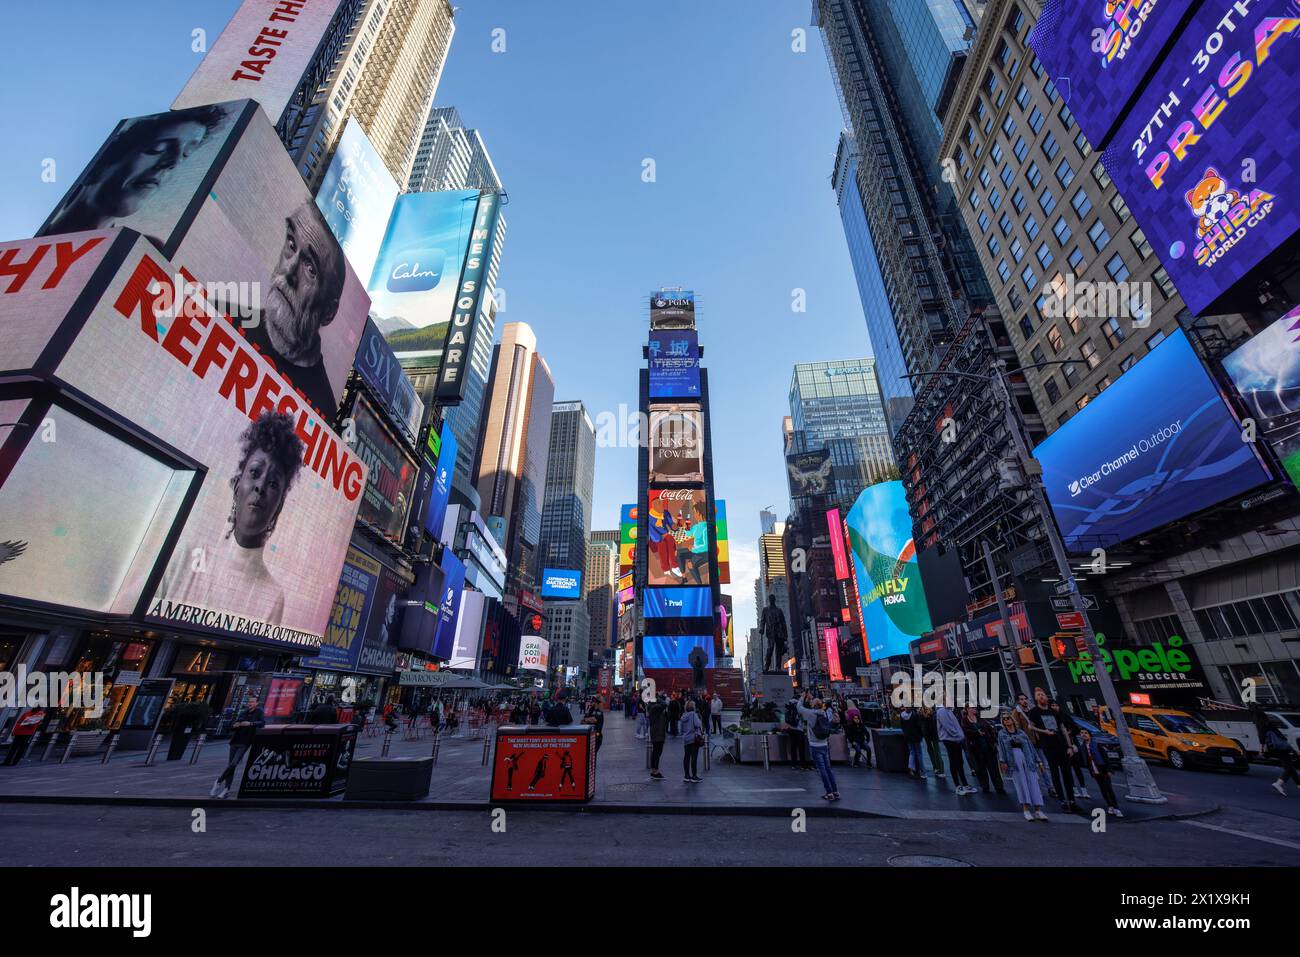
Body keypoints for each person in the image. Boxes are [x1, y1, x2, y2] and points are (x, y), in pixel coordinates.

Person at [159, 411, 305, 627]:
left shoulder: (272, 596)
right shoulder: (187, 556)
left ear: (279, 506)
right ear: (237, 487)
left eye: (273, 483)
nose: (261, 486)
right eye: (255, 473)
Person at [43, 104, 230, 235]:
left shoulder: (144, 255)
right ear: (101, 163)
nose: (173, 163)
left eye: (185, 155)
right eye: (157, 150)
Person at [240, 200, 348, 416]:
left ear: (328, 312)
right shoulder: (219, 316)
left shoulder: (323, 410)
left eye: (310, 268)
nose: (288, 271)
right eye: (291, 245)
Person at [1027, 688, 1079, 812]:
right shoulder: (1034, 712)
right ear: (1036, 698)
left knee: (1067, 773)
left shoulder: (1054, 712)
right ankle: (1062, 800)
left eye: (1043, 694)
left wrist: (1070, 746)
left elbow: (1063, 729)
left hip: (1062, 745)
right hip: (1048, 746)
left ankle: (1072, 800)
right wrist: (1044, 731)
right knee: (1055, 773)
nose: (1041, 697)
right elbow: (1030, 727)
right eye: (1038, 695)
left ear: (1046, 697)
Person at [997, 710, 1049, 822]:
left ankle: (1038, 810)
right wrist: (1003, 762)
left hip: (1027, 758)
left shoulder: (1021, 733)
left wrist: (1039, 761)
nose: (1006, 720)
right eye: (1004, 719)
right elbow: (1001, 749)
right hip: (1014, 760)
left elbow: (1031, 747)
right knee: (1021, 784)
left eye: (1008, 718)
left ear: (1012, 719)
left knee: (1033, 783)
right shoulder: (1002, 734)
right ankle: (1026, 810)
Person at [211, 696, 265, 799]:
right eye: (249, 702)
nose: (250, 703)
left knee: (233, 764)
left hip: (245, 742)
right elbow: (233, 725)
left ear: (257, 703)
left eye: (252, 702)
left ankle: (218, 781)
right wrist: (235, 726)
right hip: (235, 741)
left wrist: (250, 723)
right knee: (231, 766)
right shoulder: (243, 712)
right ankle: (226, 789)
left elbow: (262, 723)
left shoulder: (259, 712)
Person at [797, 693, 839, 801]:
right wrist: (812, 700)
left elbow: (799, 707)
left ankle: (829, 793)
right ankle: (835, 791)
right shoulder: (823, 713)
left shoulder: (811, 714)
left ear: (813, 705)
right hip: (824, 744)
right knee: (828, 769)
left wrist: (803, 696)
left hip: (815, 746)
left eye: (812, 703)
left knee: (822, 770)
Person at [1078, 726, 1123, 817]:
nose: (1084, 735)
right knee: (1102, 789)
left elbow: (1105, 757)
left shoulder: (1096, 745)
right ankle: (1110, 806)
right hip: (1094, 770)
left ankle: (1116, 808)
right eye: (1082, 733)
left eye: (1085, 733)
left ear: (1090, 735)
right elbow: (1083, 760)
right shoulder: (1082, 747)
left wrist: (1109, 769)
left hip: (1103, 768)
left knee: (1108, 788)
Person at [961, 705, 1005, 795]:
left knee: (994, 769)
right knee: (981, 769)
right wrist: (977, 733)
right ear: (967, 709)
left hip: (988, 746)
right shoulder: (964, 720)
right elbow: (965, 732)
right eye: (972, 708)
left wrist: (994, 740)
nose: (975, 709)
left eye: (975, 708)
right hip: (975, 749)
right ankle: (985, 786)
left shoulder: (980, 718)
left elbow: (989, 728)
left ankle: (999, 787)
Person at [1054, 700, 1090, 799]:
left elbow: (1076, 729)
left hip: (1073, 745)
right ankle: (1073, 789)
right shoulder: (1053, 718)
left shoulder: (1065, 716)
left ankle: (1083, 789)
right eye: (1052, 705)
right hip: (1063, 747)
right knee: (1067, 770)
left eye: (1056, 705)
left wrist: (1069, 732)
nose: (1055, 707)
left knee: (1077, 768)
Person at [937, 705, 975, 794]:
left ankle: (965, 785)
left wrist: (959, 736)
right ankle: (958, 786)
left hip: (955, 739)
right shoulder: (942, 711)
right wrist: (959, 736)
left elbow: (955, 726)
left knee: (959, 762)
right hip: (950, 740)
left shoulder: (949, 711)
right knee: (954, 762)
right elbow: (949, 727)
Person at [675, 501, 711, 584]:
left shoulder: (706, 527)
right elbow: (688, 533)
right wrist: (685, 527)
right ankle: (684, 578)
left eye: (696, 513)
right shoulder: (696, 526)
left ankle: (699, 584)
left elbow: (706, 546)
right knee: (678, 553)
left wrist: (693, 549)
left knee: (690, 564)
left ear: (701, 513)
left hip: (705, 553)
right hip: (695, 551)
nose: (694, 515)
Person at [1267, 725, 1300, 796]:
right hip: (1281, 748)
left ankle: (1280, 783)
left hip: (1279, 748)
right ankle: (1278, 783)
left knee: (1289, 767)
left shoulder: (1264, 726)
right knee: (1289, 767)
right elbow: (1283, 739)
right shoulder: (1267, 725)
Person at [760, 594, 788, 672]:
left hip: (779, 633)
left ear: (774, 600)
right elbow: (762, 620)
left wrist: (785, 635)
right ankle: (767, 666)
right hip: (770, 633)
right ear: (769, 600)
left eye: (773, 598)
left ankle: (778, 667)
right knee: (770, 649)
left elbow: (783, 623)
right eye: (770, 599)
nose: (771, 600)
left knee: (778, 651)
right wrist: (761, 628)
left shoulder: (779, 610)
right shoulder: (765, 610)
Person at [784, 697, 812, 771]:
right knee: (801, 748)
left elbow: (787, 721)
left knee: (793, 747)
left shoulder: (788, 711)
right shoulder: (799, 711)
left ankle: (794, 764)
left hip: (791, 730)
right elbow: (805, 720)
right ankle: (803, 765)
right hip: (799, 730)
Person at [680, 700, 705, 782]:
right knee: (694, 757)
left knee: (686, 757)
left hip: (686, 738)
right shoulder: (693, 714)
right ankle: (694, 776)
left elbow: (681, 729)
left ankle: (686, 775)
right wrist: (699, 719)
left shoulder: (683, 715)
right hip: (694, 738)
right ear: (693, 707)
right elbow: (697, 724)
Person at [898, 702, 925, 779]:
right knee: (919, 754)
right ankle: (922, 771)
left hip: (908, 737)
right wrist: (921, 735)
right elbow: (919, 726)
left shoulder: (902, 715)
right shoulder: (914, 715)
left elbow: (902, 727)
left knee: (912, 752)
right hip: (916, 737)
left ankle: (911, 767)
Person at [647, 695, 669, 780]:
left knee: (655, 752)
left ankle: (653, 770)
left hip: (655, 732)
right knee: (657, 752)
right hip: (658, 733)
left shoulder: (651, 706)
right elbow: (664, 704)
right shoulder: (655, 707)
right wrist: (658, 698)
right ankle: (655, 771)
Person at [920, 705, 945, 778]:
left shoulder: (923, 713)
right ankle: (939, 769)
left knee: (932, 750)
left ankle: (937, 768)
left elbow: (922, 724)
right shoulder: (933, 713)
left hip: (928, 733)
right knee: (936, 751)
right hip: (932, 733)